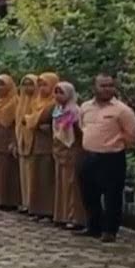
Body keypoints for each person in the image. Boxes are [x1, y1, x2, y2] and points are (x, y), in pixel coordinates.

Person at [79, 73, 135, 242]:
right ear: (94, 87)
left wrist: (116, 144)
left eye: (110, 85)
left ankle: (110, 230)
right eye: (103, 86)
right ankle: (93, 226)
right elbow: (82, 126)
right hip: (90, 156)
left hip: (112, 157)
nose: (107, 89)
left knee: (112, 195)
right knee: (89, 193)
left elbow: (134, 134)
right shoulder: (85, 107)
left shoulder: (122, 110)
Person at [52, 81, 86, 231]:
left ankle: (75, 217)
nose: (58, 96)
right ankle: (62, 215)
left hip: (72, 150)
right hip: (60, 150)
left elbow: (76, 131)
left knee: (72, 185)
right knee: (62, 184)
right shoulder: (58, 110)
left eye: (62, 92)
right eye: (56, 92)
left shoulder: (74, 111)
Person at [24, 73, 59, 220]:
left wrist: (33, 121)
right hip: (36, 143)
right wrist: (33, 121)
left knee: (47, 178)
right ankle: (37, 209)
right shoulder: (35, 102)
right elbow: (27, 120)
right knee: (36, 177)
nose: (41, 88)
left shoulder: (54, 104)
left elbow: (55, 124)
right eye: (40, 85)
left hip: (48, 144)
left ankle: (49, 210)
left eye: (45, 85)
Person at [15, 75, 39, 215]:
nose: (28, 88)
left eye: (31, 84)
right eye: (25, 85)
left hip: (34, 141)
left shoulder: (38, 101)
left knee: (33, 173)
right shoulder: (21, 102)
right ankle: (26, 202)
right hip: (22, 139)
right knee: (24, 172)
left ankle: (33, 204)